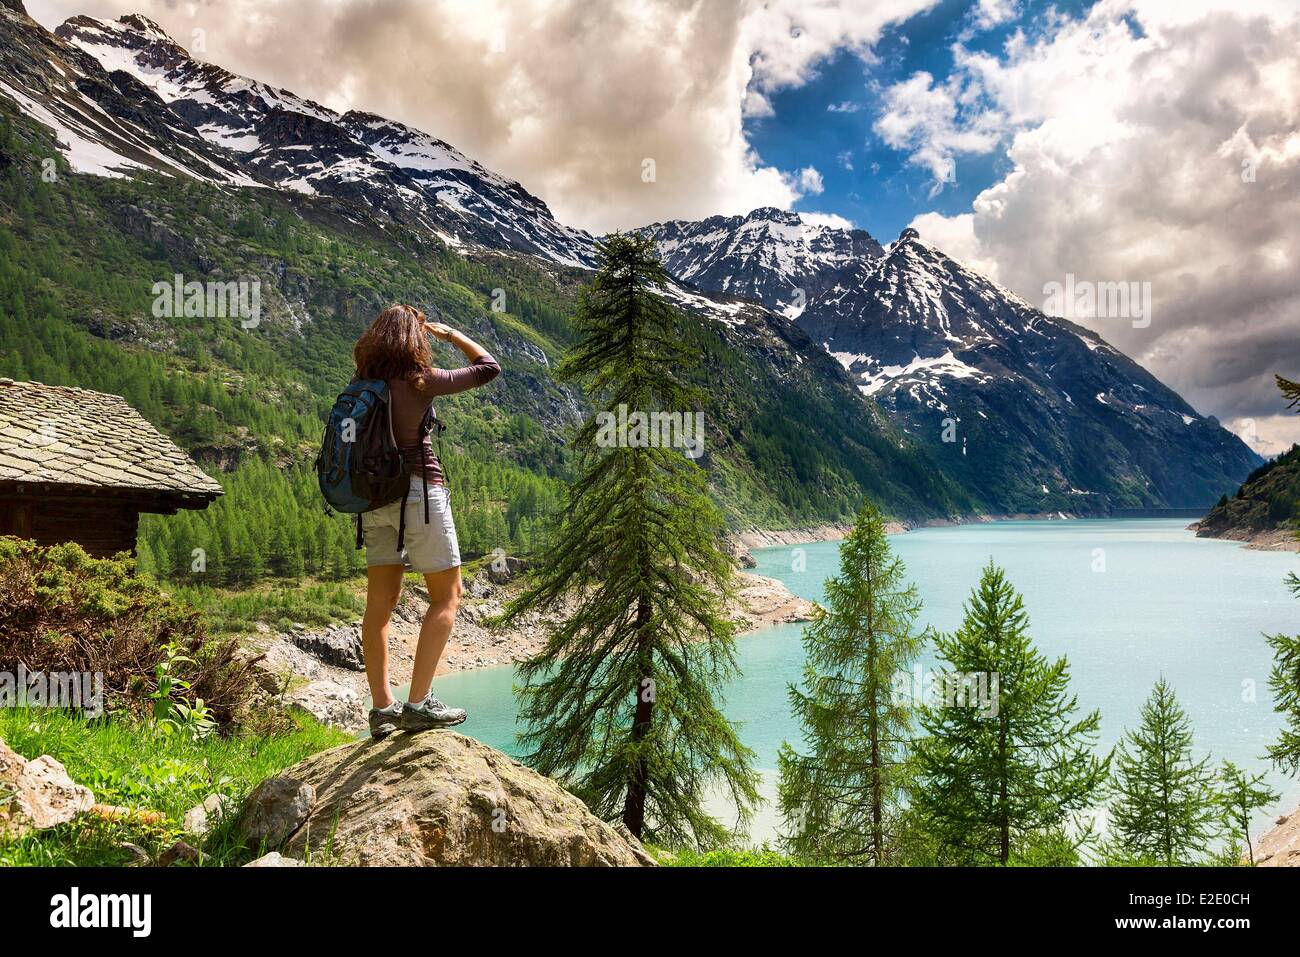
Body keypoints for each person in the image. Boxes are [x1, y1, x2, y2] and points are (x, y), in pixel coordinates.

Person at [350, 304, 500, 737]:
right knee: (447, 596)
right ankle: (418, 703)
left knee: (378, 609)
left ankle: (382, 710)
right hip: (419, 494)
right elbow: (488, 367)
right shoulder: (421, 383)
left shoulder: (361, 386)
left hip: (372, 502)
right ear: (415, 341)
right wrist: (450, 333)